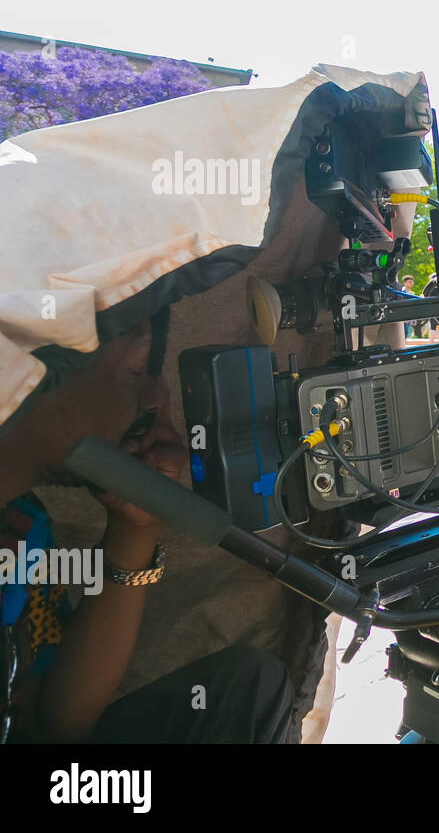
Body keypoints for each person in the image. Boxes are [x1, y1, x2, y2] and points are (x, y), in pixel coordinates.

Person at [0, 309, 295, 743]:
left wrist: (134, 523)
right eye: (140, 368)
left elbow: (59, 726)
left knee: (245, 691)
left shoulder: (25, 523)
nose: (156, 396)